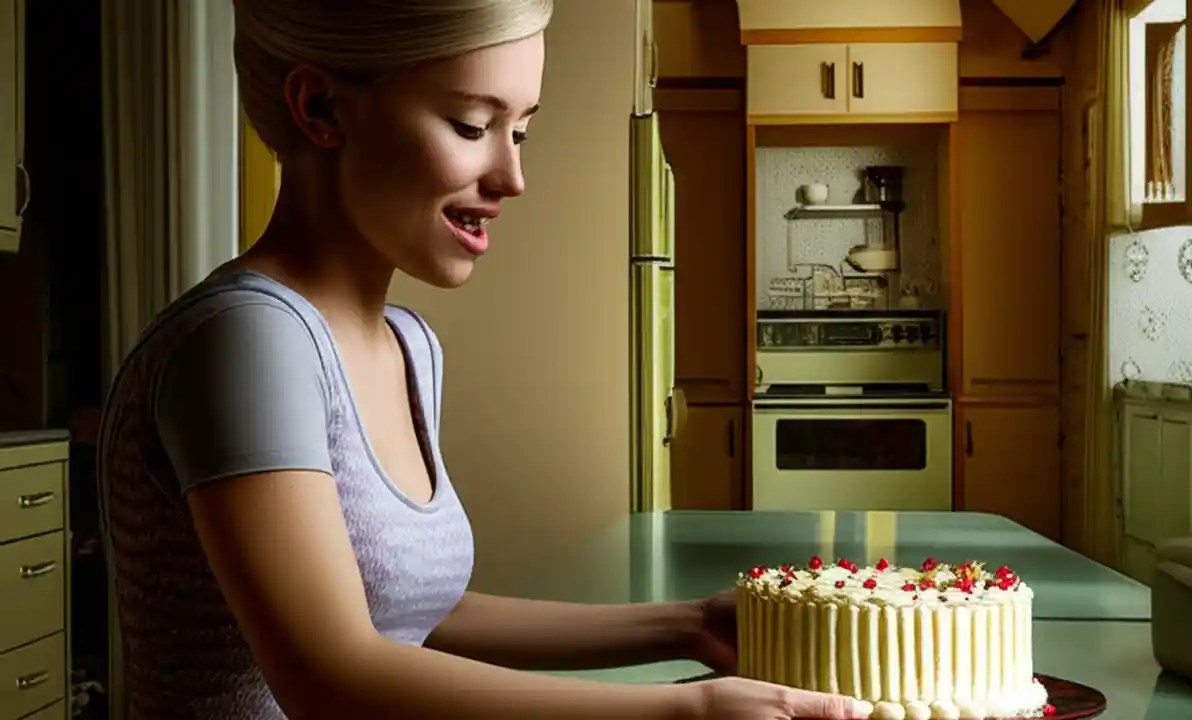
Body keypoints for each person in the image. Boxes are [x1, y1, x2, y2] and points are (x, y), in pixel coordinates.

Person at [96, 1, 863, 718]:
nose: (511, 178)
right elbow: (330, 680)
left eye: (519, 132)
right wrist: (684, 709)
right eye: (472, 126)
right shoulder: (246, 340)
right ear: (321, 109)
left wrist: (688, 626)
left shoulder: (408, 344)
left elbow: (419, 618)